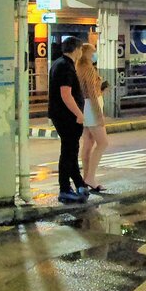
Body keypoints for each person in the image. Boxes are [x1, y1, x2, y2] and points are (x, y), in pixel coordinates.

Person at [47, 36, 89, 204]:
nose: (81, 53)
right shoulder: (66, 67)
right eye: (80, 50)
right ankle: (64, 189)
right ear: (76, 49)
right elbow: (66, 94)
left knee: (70, 152)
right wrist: (79, 113)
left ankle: (79, 184)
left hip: (61, 115)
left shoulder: (58, 63)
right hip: (67, 117)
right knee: (68, 153)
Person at [77, 43, 110, 193]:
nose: (95, 54)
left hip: (84, 107)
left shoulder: (79, 68)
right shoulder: (89, 69)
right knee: (102, 143)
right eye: (93, 52)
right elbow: (91, 92)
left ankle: (85, 178)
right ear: (87, 54)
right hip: (91, 107)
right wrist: (99, 115)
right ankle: (90, 177)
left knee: (88, 143)